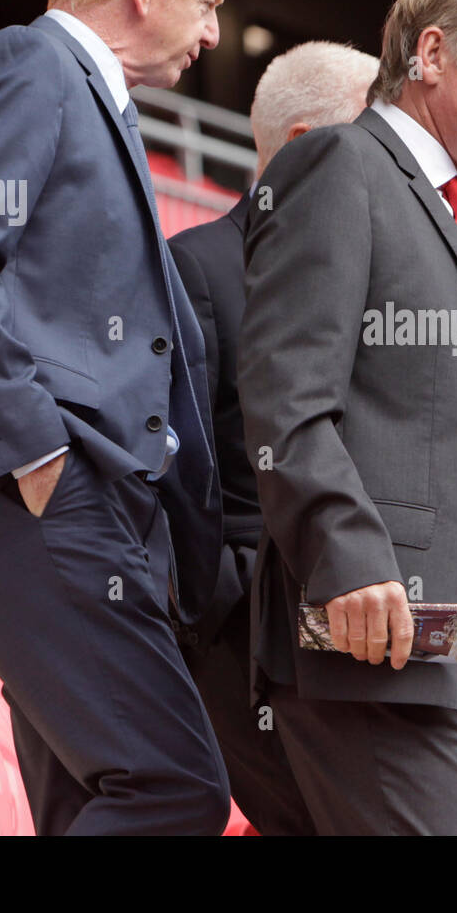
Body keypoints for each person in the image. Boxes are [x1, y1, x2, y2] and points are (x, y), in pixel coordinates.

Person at [0, 0, 233, 835]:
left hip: (78, 507)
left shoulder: (95, 99)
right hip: (36, 496)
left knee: (97, 796)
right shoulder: (33, 65)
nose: (213, 32)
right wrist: (40, 458)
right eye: (207, 1)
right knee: (174, 787)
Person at [237, 0, 457, 834]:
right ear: (431, 53)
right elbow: (287, 389)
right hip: (370, 639)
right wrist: (348, 560)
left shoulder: (449, 211)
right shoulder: (342, 165)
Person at [167, 41, 378, 835]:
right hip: (250, 640)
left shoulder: (386, 280)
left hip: (371, 632)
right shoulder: (197, 268)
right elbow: (178, 469)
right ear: (301, 149)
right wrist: (233, 601)